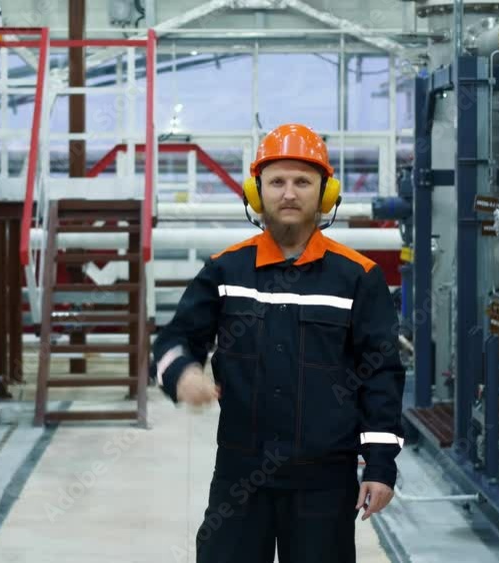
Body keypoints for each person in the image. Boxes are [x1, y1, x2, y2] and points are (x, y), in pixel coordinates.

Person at [152, 123, 405, 562]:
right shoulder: (226, 272)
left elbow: (381, 374)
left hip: (325, 479)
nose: (289, 193)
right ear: (257, 193)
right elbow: (175, 339)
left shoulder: (358, 277)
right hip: (239, 473)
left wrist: (380, 464)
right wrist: (181, 374)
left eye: (302, 181)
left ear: (325, 194)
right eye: (277, 182)